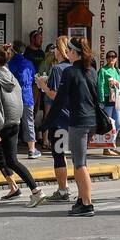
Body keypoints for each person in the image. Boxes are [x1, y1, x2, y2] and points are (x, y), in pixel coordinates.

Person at [0, 45, 47, 208]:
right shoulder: (11, 76)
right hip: (14, 123)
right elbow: (16, 101)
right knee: (12, 161)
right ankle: (36, 192)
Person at [46, 37, 101, 216]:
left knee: (80, 164)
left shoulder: (69, 72)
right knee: (80, 161)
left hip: (78, 121)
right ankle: (80, 198)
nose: (66, 53)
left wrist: (46, 124)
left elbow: (60, 100)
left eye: (69, 51)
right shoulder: (92, 71)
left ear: (74, 52)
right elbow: (96, 97)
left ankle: (87, 204)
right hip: (91, 121)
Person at [32, 36, 75, 204]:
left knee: (58, 154)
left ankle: (62, 189)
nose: (53, 52)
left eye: (55, 49)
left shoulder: (58, 69)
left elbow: (55, 95)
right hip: (72, 116)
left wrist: (42, 84)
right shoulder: (73, 68)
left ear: (61, 49)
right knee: (67, 154)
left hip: (60, 117)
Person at [8, 40, 40, 159]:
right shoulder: (29, 63)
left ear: (12, 50)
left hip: (14, 96)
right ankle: (32, 149)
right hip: (27, 95)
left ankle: (12, 148)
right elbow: (33, 79)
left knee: (13, 122)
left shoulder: (10, 63)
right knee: (28, 122)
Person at [98, 50, 120, 157]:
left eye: (113, 56)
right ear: (106, 58)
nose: (111, 59)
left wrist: (117, 83)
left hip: (116, 100)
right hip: (107, 100)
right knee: (108, 124)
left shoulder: (118, 71)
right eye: (109, 57)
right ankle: (107, 148)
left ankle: (111, 145)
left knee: (118, 124)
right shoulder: (103, 70)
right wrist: (101, 100)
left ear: (116, 58)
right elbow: (100, 85)